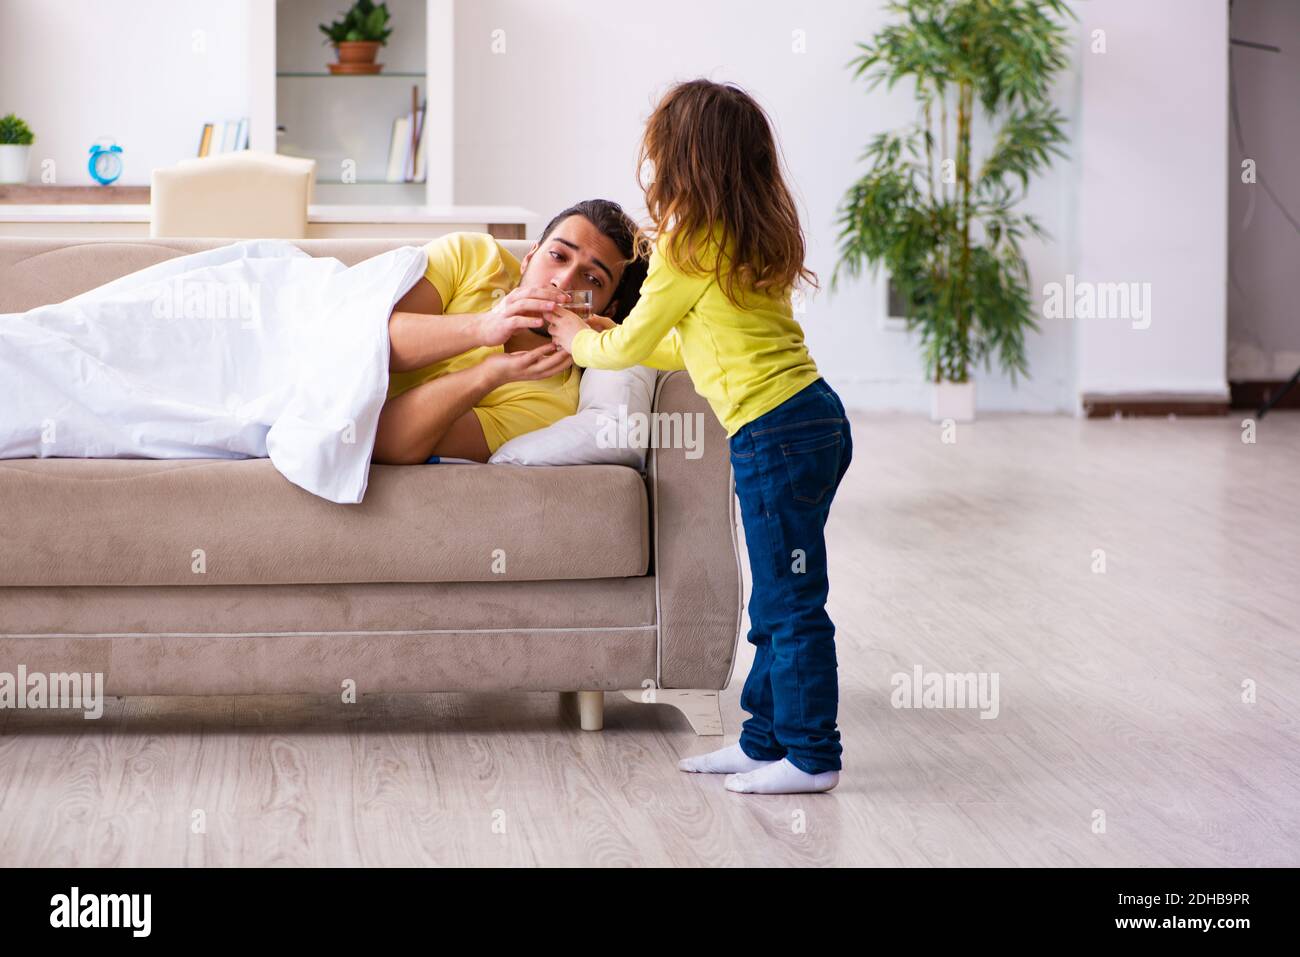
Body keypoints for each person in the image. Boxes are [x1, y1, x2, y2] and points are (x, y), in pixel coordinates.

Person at [547, 80, 853, 795]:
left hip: (773, 431)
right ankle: (761, 740)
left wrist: (578, 338)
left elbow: (631, 348)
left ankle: (812, 753)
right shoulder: (742, 235)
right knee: (777, 595)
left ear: (681, 157)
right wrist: (611, 336)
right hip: (808, 420)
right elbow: (687, 348)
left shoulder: (687, 243)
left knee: (790, 600)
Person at [373, 199, 650, 464]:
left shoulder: (549, 405)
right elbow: (371, 348)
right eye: (557, 255)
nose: (562, 282)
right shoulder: (474, 257)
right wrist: (484, 326)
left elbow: (382, 439)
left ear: (608, 311)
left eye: (592, 279)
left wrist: (488, 375)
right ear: (529, 257)